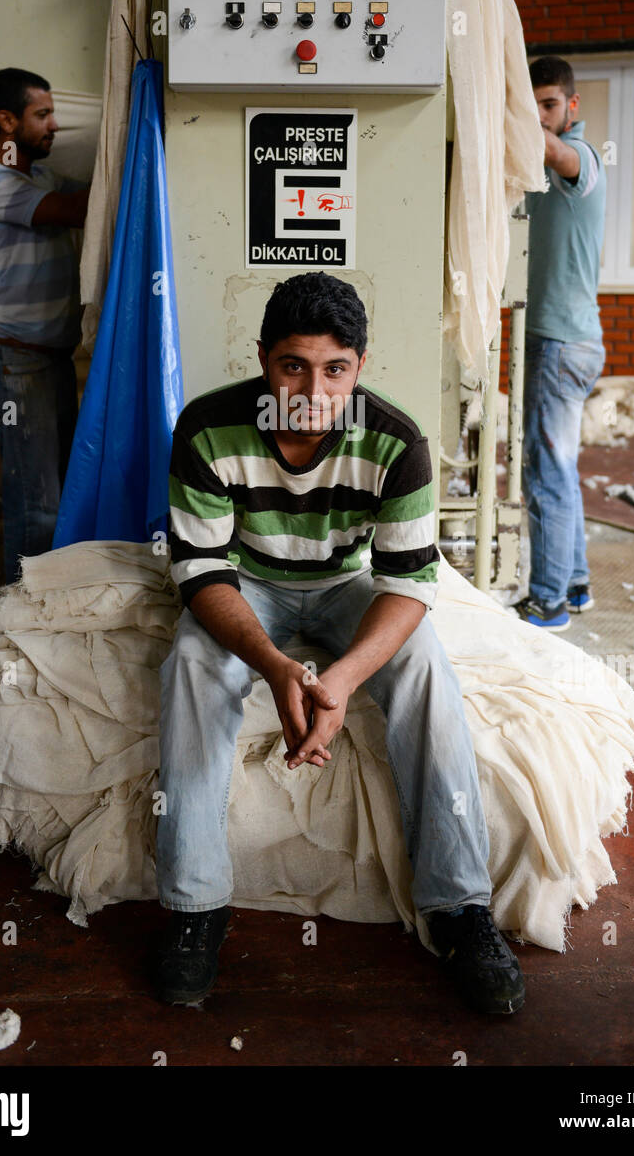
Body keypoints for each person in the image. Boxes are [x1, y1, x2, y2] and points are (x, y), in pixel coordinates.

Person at [155, 272, 525, 1016]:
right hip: (247, 582)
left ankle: (459, 909)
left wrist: (342, 679)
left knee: (422, 663)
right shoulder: (206, 427)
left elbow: (410, 582)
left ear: (360, 365)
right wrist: (279, 667)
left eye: (335, 369)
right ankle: (194, 909)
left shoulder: (397, 439)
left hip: (344, 584)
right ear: (263, 359)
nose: (313, 391)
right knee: (192, 660)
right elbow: (200, 570)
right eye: (293, 365)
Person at [0, 68, 90, 585]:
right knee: (36, 505)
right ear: (6, 121)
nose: (54, 125)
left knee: (57, 491)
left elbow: (92, 192)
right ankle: (19, 626)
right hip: (13, 365)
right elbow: (78, 208)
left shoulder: (35, 175)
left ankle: (43, 607)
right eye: (42, 115)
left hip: (46, 359)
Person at [515, 55, 607, 631]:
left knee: (545, 473)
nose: (540, 116)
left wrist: (504, 112)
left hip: (559, 342)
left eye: (549, 104)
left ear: (572, 106)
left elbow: (553, 150)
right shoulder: (543, 169)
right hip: (566, 340)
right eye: (533, 105)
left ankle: (546, 602)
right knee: (560, 468)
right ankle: (574, 584)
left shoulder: (581, 159)